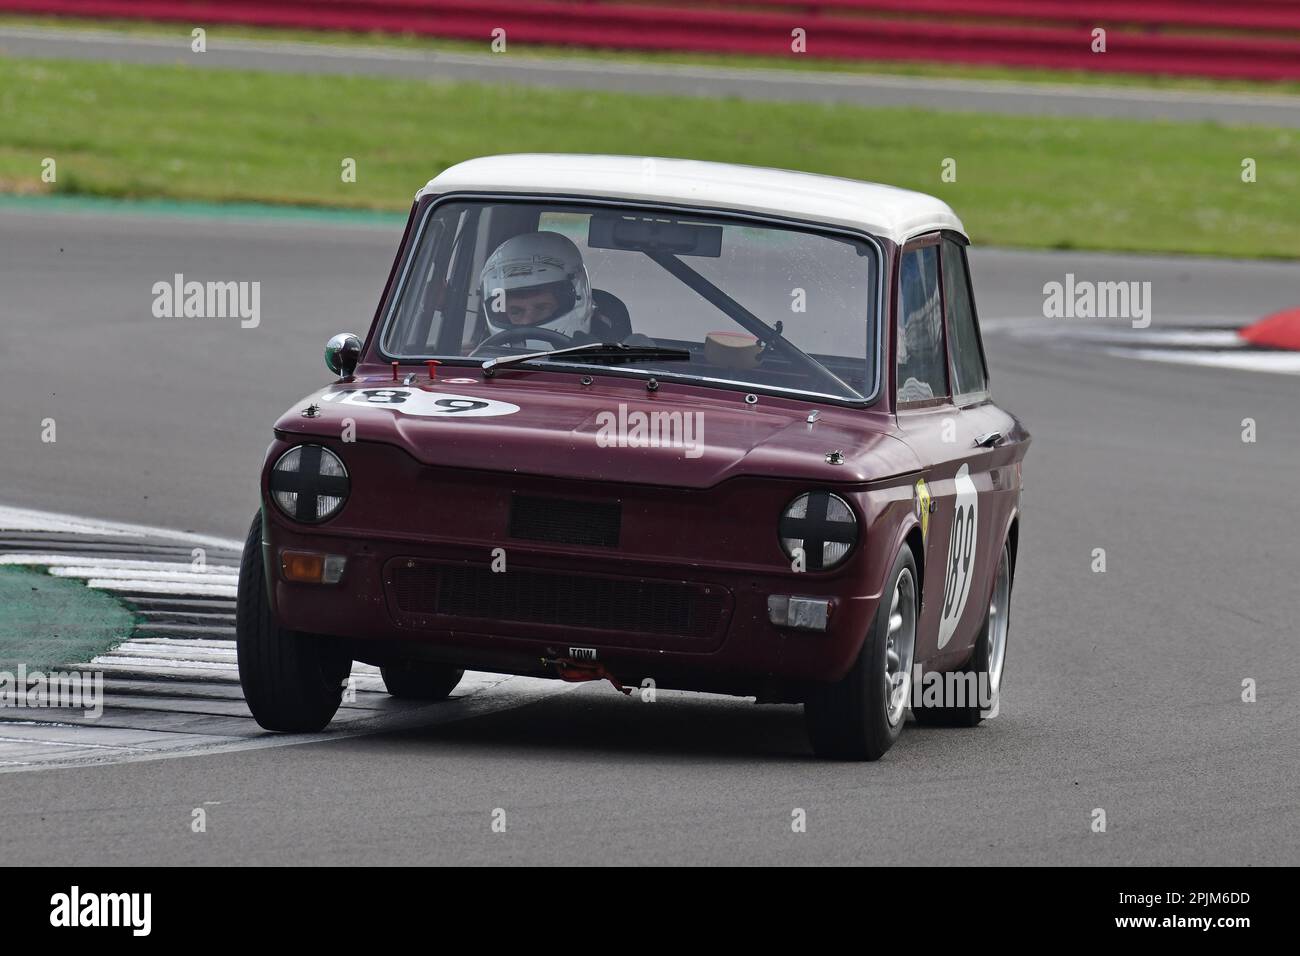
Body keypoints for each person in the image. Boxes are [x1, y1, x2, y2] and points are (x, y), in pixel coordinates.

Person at [479, 231, 594, 339]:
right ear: (504, 316)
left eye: (541, 308)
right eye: (515, 312)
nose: (527, 322)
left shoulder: (607, 352)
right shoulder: (483, 358)